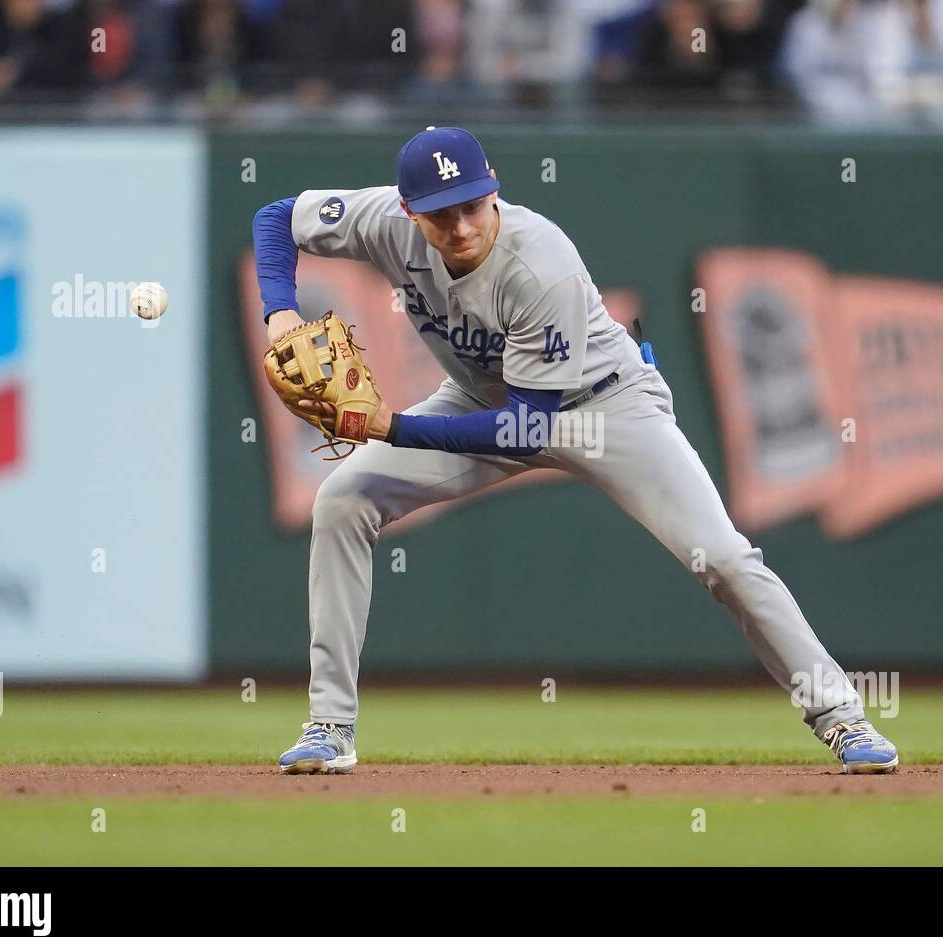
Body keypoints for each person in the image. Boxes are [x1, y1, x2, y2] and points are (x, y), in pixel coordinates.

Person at [251, 125, 899, 775]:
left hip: (607, 407)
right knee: (341, 500)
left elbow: (528, 430)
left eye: (472, 206)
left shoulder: (540, 264)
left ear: (493, 188)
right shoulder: (382, 219)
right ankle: (329, 726)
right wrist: (279, 311)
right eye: (441, 215)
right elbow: (277, 217)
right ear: (407, 209)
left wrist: (393, 428)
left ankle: (842, 715)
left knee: (725, 558)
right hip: (480, 399)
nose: (462, 226)